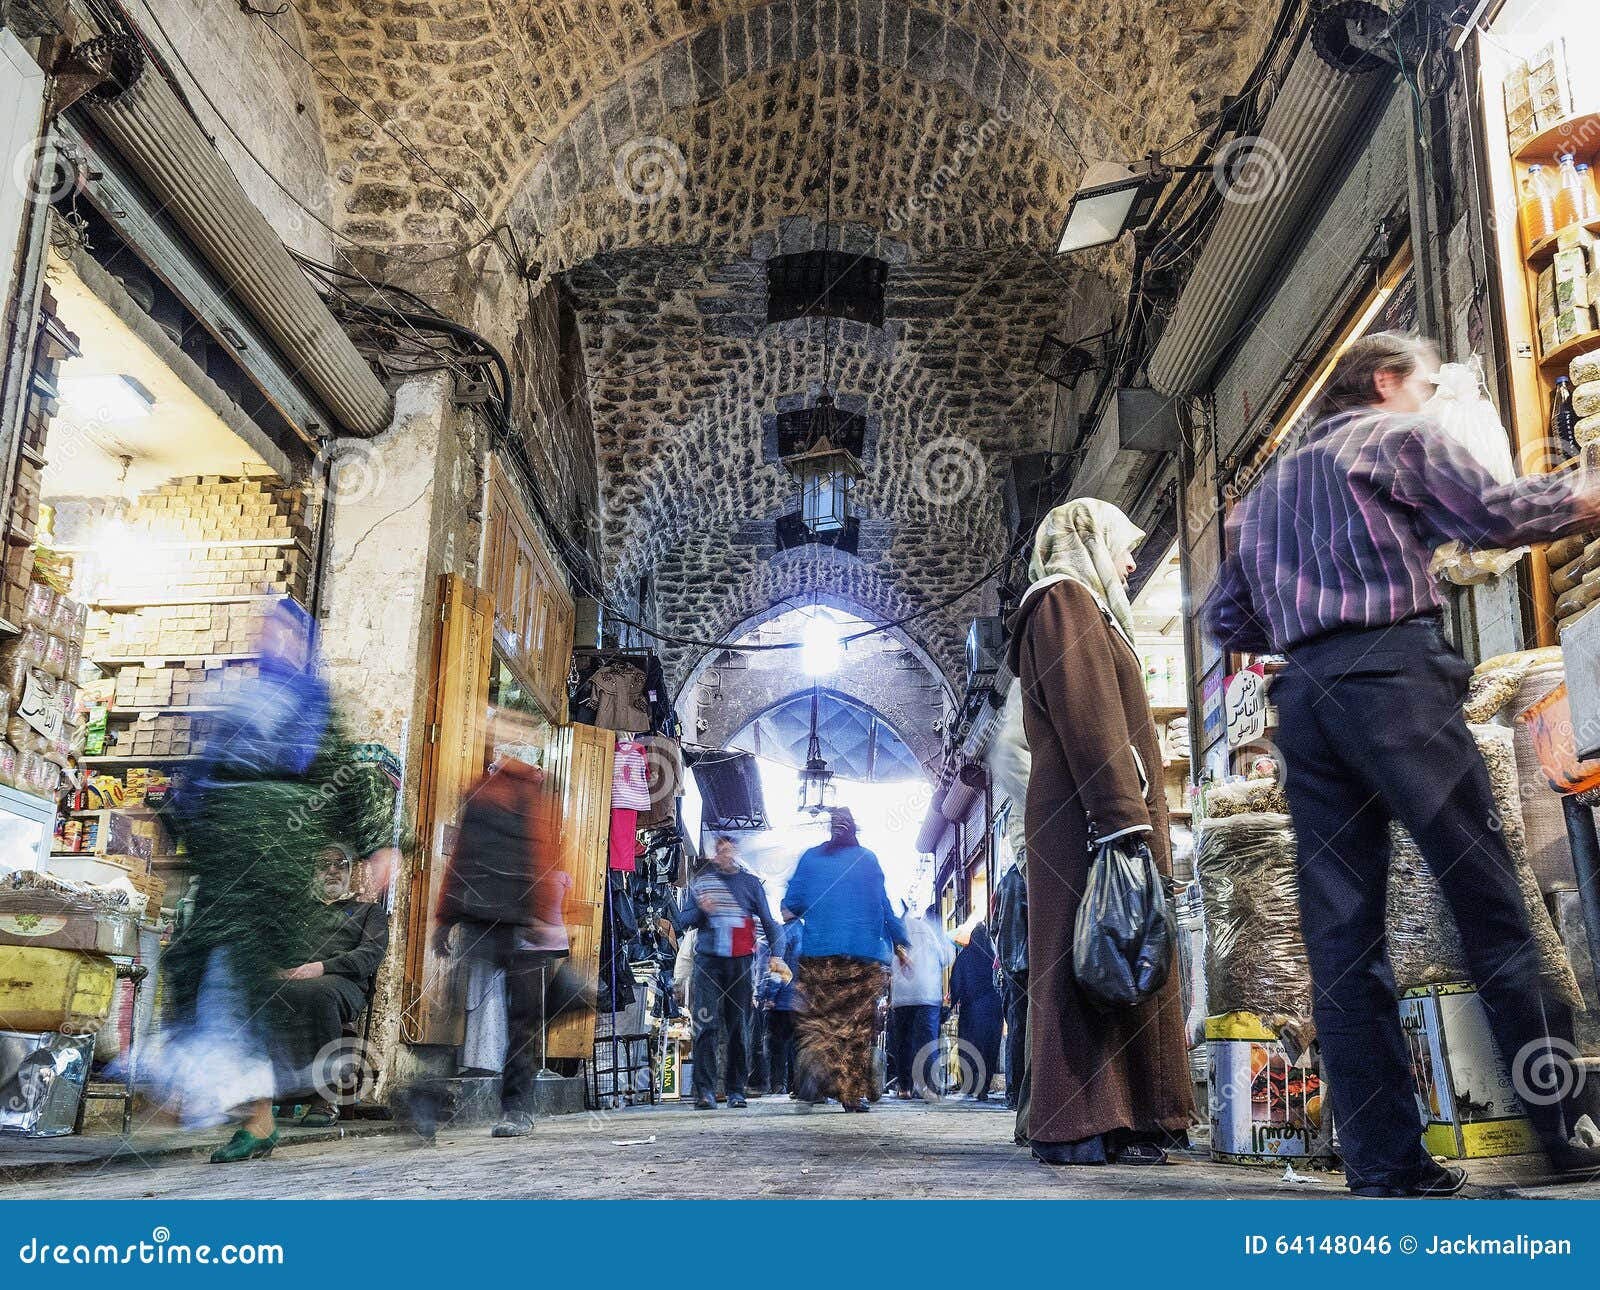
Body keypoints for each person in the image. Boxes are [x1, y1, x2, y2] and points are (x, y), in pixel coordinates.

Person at [1205, 331, 1600, 1195]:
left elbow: (1226, 621)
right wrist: (1583, 495)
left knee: (1342, 939)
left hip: (1305, 703)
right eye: (1422, 383)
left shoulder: (1266, 495)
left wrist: (1312, 623)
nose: (1428, 397)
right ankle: (1563, 1128)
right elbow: (1495, 517)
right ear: (1384, 382)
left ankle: (1385, 1164)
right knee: (1487, 895)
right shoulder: (1394, 438)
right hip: (1394, 683)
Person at [156, 599, 395, 1163]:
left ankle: (250, 1114)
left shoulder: (312, 703)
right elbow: (199, 776)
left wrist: (380, 843)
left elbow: (346, 773)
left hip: (276, 864)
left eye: (284, 631)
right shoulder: (236, 700)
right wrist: (180, 828)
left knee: (244, 984)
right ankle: (232, 1107)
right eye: (265, 629)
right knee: (193, 968)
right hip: (224, 863)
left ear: (302, 643)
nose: (271, 639)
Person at [1004, 499, 1194, 1165]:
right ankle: (1077, 1119)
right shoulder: (1063, 601)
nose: (1133, 560)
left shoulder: (1086, 608)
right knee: (1085, 960)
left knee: (1116, 958)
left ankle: (1130, 1116)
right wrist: (1122, 819)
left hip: (1100, 818)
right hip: (1088, 823)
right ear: (1086, 540)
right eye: (1124, 545)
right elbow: (1090, 722)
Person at [433, 713, 567, 1139]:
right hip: (482, 915)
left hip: (520, 919)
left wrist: (545, 917)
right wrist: (445, 917)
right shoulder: (479, 793)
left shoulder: (533, 790)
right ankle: (430, 1101)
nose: (505, 737)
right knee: (460, 1006)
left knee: (522, 1018)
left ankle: (515, 1109)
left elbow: (544, 852)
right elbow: (461, 857)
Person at [782, 808, 910, 1112]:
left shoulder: (811, 859)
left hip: (818, 957)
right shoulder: (867, 859)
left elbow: (790, 907)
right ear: (855, 830)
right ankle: (851, 1096)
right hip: (861, 959)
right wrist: (901, 942)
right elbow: (884, 906)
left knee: (822, 1021)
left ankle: (816, 1070)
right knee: (857, 1028)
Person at [268, 848, 389, 1128]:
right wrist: (271, 969)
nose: (333, 870)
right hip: (292, 978)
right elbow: (271, 946)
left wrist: (319, 967)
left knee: (320, 993)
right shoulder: (298, 911)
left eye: (340, 864)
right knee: (258, 992)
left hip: (342, 983)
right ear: (314, 871)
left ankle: (325, 1096)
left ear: (351, 873)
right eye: (324, 864)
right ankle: (260, 1092)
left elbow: (369, 955)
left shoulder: (369, 911)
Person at [677, 836, 786, 1110]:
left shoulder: (749, 884)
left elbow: (770, 921)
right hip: (708, 964)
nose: (724, 855)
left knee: (738, 1029)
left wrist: (777, 954)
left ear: (735, 853)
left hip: (739, 965)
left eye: (728, 850)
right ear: (715, 854)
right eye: (720, 850)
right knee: (706, 1027)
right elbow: (682, 921)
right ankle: (706, 1092)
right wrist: (701, 910)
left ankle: (736, 1090)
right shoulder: (701, 883)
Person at [888, 906, 952, 1099]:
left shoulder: (896, 930)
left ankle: (904, 1088)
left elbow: (886, 957)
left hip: (901, 994)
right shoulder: (929, 929)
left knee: (903, 1043)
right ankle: (928, 1088)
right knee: (927, 1042)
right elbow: (946, 956)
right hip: (926, 993)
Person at [948, 922, 1004, 1101]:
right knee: (989, 1049)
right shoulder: (993, 957)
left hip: (971, 1011)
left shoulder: (964, 957)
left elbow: (956, 984)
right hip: (994, 1010)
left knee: (970, 1047)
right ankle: (984, 1087)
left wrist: (950, 1006)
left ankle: (971, 1085)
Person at [992, 863, 1029, 1117]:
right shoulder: (1030, 877)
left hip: (1010, 966)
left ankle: (1014, 1093)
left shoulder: (1005, 881)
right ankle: (1022, 1092)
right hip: (1031, 964)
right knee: (1025, 1030)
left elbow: (994, 927)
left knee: (1016, 1029)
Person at [761, 915, 804, 1095]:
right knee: (798, 1048)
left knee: (778, 1048)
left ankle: (778, 1085)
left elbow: (778, 966)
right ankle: (798, 1087)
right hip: (802, 1002)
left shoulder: (784, 931)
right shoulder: (806, 931)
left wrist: (770, 994)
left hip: (782, 1002)